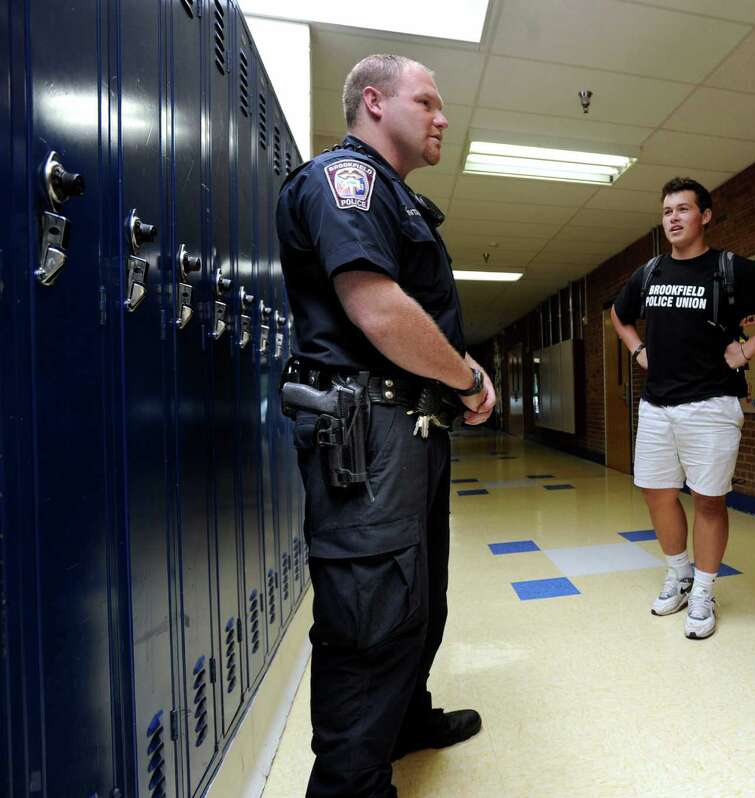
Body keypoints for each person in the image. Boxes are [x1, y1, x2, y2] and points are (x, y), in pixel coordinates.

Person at [277, 54, 496, 798]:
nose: (442, 118)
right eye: (428, 102)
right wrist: (464, 375)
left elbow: (416, 318)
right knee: (370, 615)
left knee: (418, 597)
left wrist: (460, 374)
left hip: (406, 428)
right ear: (373, 101)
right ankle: (348, 785)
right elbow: (377, 309)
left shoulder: (396, 198)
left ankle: (403, 721)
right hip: (367, 432)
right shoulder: (348, 182)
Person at [610, 177, 755, 639]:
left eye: (683, 210)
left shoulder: (728, 268)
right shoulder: (650, 272)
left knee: (710, 500)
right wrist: (637, 350)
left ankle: (706, 590)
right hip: (656, 406)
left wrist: (747, 351)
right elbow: (618, 312)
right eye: (667, 210)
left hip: (711, 404)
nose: (673, 218)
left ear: (704, 216)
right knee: (657, 492)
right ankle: (680, 573)